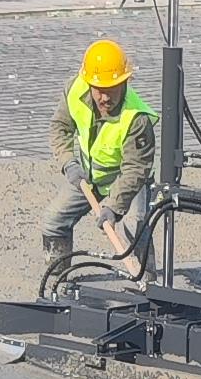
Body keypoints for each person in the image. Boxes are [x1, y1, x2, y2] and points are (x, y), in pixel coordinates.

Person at [41, 38, 156, 295]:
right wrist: (68, 163)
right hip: (87, 176)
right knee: (54, 220)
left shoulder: (136, 119)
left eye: (112, 89)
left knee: (135, 226)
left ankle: (148, 282)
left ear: (124, 82)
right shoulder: (75, 91)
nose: (104, 97)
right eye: (99, 89)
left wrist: (113, 207)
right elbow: (59, 128)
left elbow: (136, 170)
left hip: (126, 179)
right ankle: (57, 278)